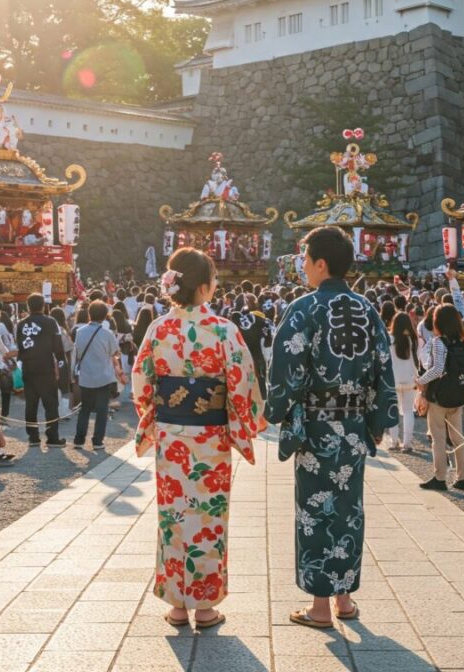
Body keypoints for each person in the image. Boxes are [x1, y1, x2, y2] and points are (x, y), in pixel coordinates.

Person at [265, 227, 397, 629]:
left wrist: (276, 411)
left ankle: (320, 607)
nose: (303, 267)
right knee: (348, 510)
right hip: (353, 426)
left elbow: (285, 367)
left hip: (316, 429)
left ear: (321, 264)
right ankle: (344, 599)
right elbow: (382, 367)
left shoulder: (304, 309)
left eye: (305, 260)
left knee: (315, 510)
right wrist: (377, 420)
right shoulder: (367, 309)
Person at [133, 248, 262, 630]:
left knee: (174, 516)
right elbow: (242, 383)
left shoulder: (159, 329)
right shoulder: (223, 329)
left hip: (172, 434)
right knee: (209, 516)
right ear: (204, 287)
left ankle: (177, 604)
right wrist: (247, 420)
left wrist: (154, 415)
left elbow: (143, 382)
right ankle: (205, 606)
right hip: (211, 438)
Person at [416, 303, 464, 490]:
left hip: (439, 396)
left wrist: (420, 380)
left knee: (438, 437)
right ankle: (462, 477)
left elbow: (437, 369)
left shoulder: (438, 342)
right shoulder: (462, 341)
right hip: (458, 394)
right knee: (458, 438)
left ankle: (440, 477)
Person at [15, 293, 66, 447]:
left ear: (28, 306)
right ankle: (52, 437)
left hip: (28, 367)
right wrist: (61, 362)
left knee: (31, 404)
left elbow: (19, 346)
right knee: (50, 403)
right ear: (43, 305)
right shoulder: (51, 322)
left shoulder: (21, 324)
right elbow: (58, 347)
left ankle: (33, 437)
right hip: (45, 367)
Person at [73, 301, 124, 451]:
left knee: (85, 409)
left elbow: (78, 353)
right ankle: (97, 441)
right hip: (103, 376)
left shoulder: (80, 332)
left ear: (90, 314)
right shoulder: (107, 334)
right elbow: (115, 352)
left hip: (86, 376)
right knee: (102, 410)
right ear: (104, 317)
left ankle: (79, 440)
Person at [389, 311, 419, 452]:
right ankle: (407, 443)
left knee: (393, 411)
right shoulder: (412, 339)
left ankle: (394, 442)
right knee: (408, 412)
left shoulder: (389, 339)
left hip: (393, 379)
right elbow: (417, 360)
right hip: (409, 379)